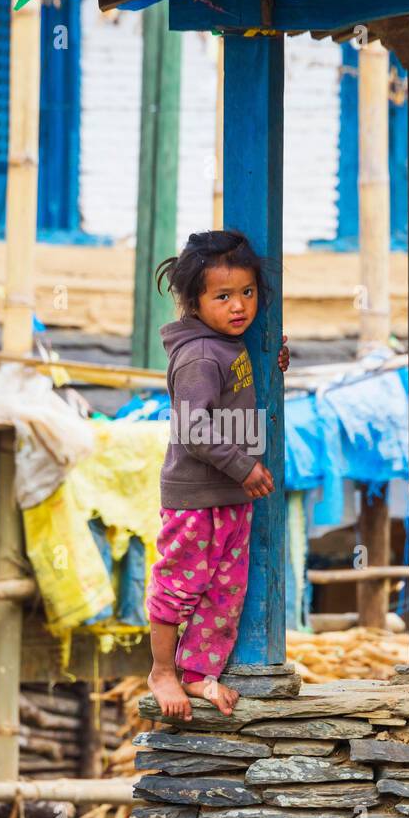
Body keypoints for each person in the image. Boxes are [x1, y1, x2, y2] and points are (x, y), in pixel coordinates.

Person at [146, 228, 289, 721]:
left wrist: (273, 358)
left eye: (247, 293)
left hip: (229, 497)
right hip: (195, 498)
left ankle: (196, 673)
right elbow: (191, 426)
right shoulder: (202, 356)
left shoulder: (230, 345)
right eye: (222, 296)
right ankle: (162, 671)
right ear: (194, 302)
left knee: (224, 591)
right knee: (179, 586)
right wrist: (242, 465)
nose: (238, 306)